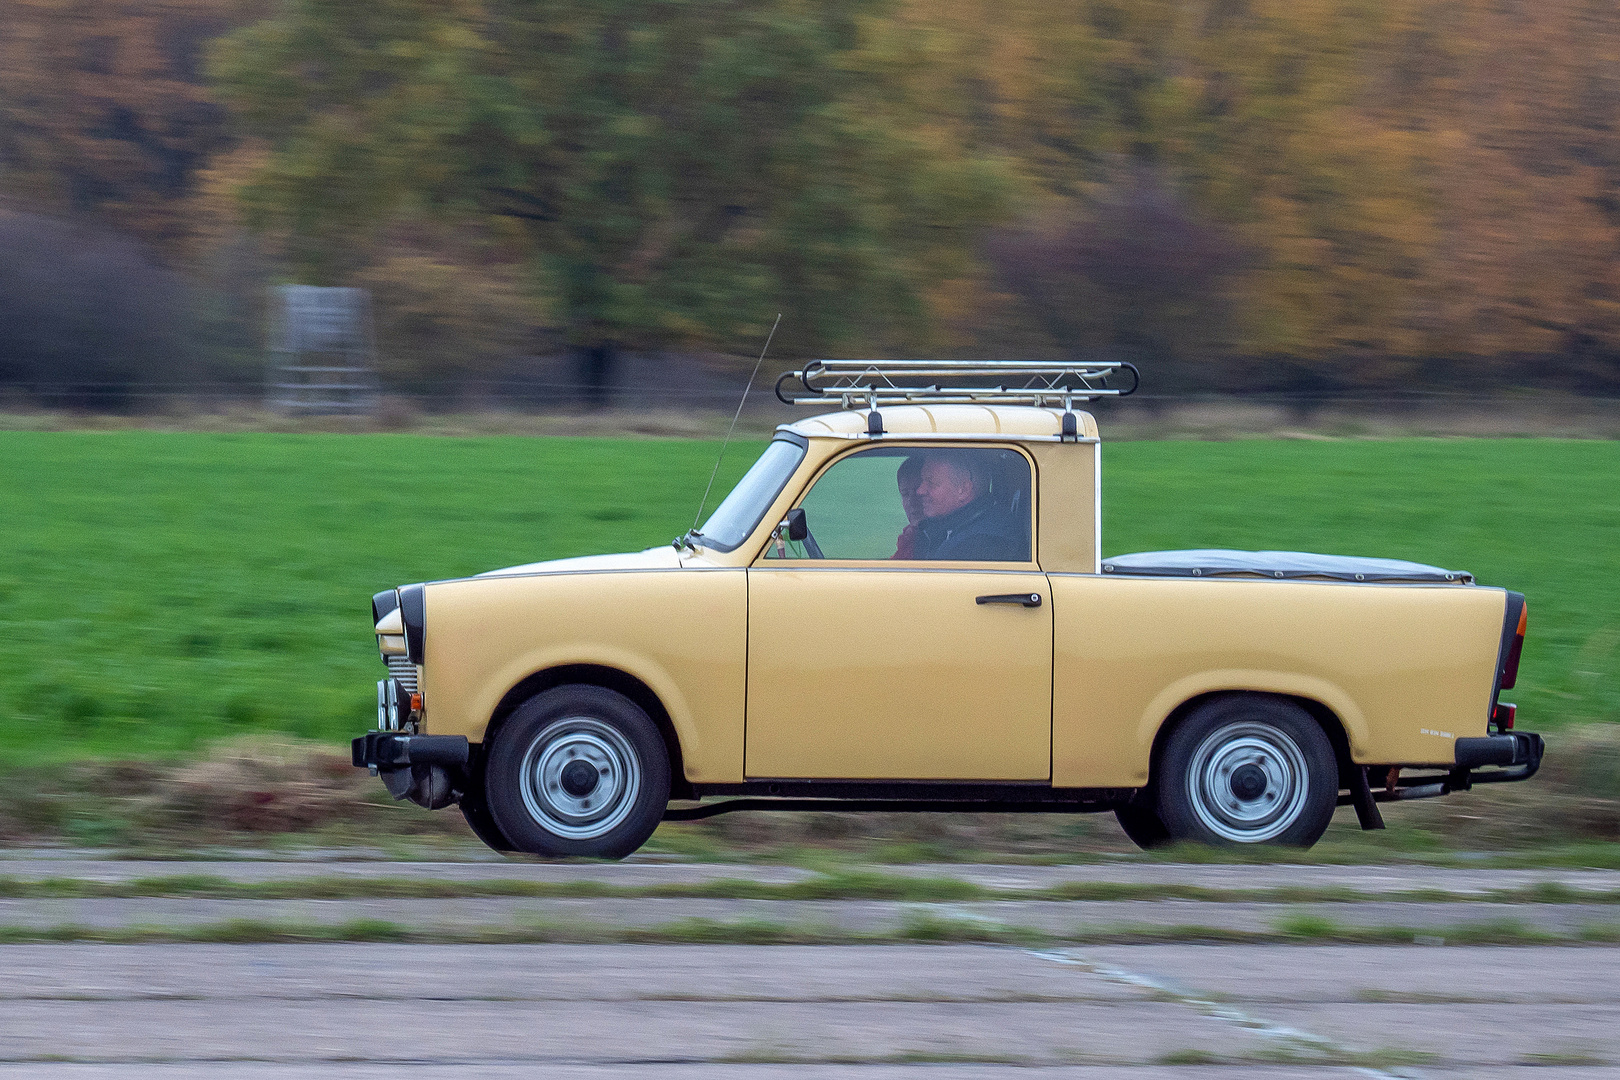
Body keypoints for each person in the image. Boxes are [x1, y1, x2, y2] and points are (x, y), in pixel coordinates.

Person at [910, 452, 1027, 561]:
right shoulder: (980, 524)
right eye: (922, 481)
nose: (920, 490)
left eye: (931, 482)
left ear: (963, 489)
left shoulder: (978, 544)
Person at [891, 456, 925, 559]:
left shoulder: (934, 543)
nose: (912, 502)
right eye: (905, 494)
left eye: (919, 493)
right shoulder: (909, 539)